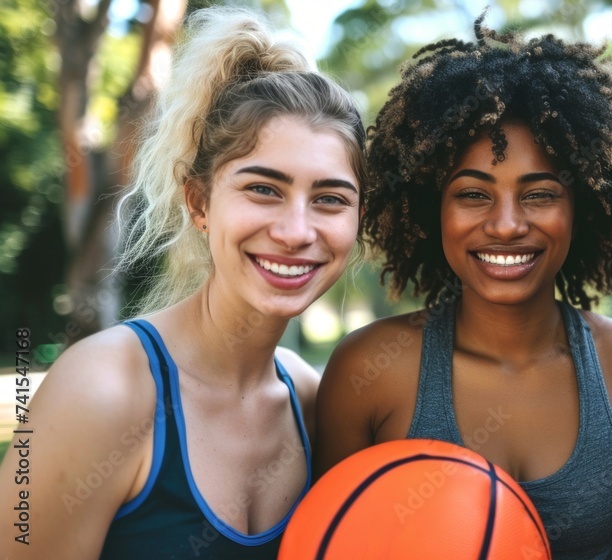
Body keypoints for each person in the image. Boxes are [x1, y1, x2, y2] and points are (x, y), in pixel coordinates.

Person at [314, 13, 612, 560]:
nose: (508, 223)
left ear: (582, 208)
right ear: (430, 208)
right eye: (472, 194)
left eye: (539, 194)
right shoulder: (368, 373)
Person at [0, 7, 365, 559]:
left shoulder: (311, 401)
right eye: (263, 189)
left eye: (331, 199)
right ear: (199, 203)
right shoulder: (99, 392)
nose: (296, 231)